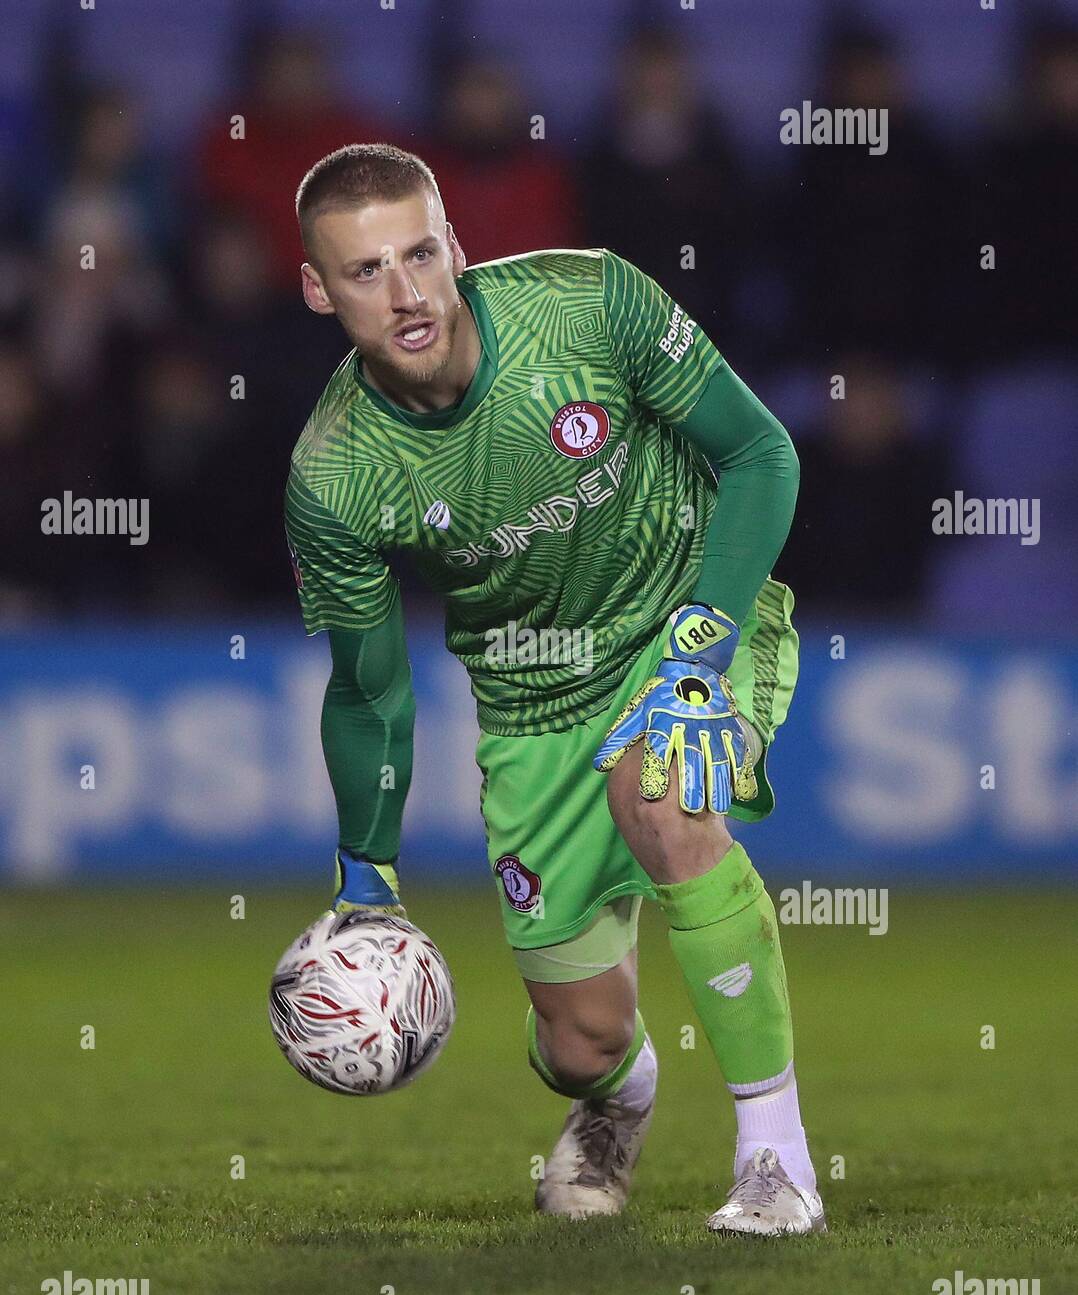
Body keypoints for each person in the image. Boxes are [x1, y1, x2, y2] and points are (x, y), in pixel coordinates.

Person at [284, 143, 820, 1235]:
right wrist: (365, 870)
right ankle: (618, 1098)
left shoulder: (587, 303)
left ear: (454, 245)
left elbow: (762, 456)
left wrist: (697, 653)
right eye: (366, 271)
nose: (407, 292)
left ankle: (778, 1162)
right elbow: (370, 686)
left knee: (664, 803)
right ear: (317, 289)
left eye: (421, 253)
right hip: (531, 707)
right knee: (577, 1043)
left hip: (688, 623)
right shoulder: (336, 474)